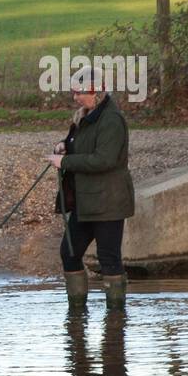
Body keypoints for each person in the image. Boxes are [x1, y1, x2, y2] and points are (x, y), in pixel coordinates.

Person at [46, 78, 135, 311]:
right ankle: (76, 313)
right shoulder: (85, 116)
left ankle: (115, 318)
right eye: (74, 93)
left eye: (80, 93)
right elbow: (81, 145)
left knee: (109, 259)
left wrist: (65, 161)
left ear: (98, 92)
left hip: (109, 201)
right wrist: (64, 145)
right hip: (85, 202)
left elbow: (104, 160)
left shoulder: (112, 120)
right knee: (69, 253)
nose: (76, 98)